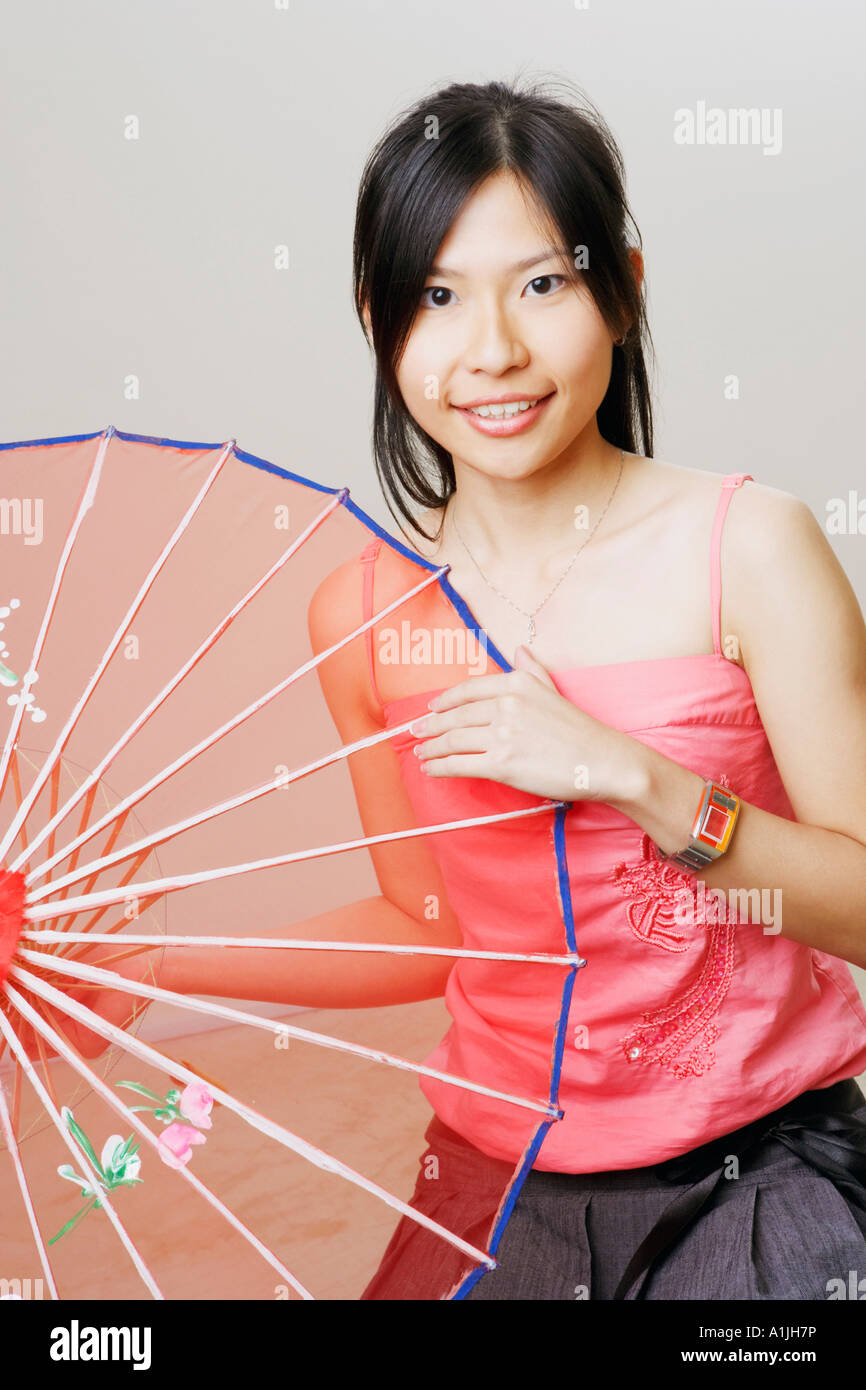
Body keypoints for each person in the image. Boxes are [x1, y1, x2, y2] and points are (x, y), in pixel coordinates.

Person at [59, 75, 866, 1299]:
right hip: (503, 1176)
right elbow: (426, 927)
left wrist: (634, 777)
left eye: (541, 284)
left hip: (753, 1172)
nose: (490, 350)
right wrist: (145, 961)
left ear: (621, 293)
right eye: (434, 297)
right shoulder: (366, 615)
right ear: (380, 324)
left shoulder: (746, 547)